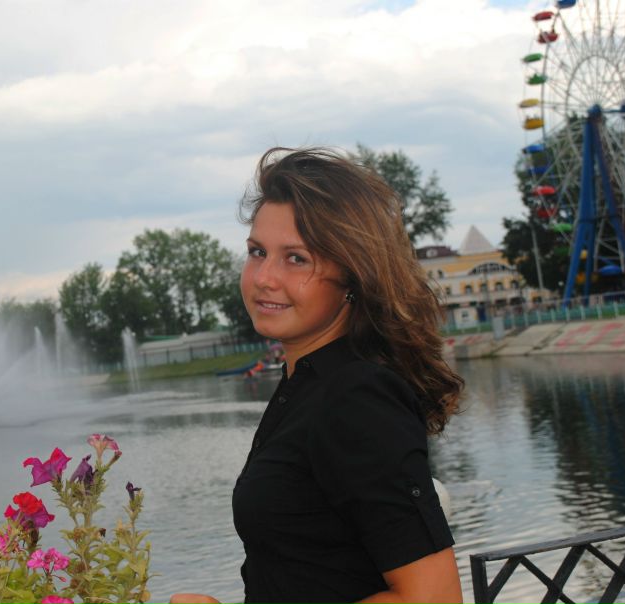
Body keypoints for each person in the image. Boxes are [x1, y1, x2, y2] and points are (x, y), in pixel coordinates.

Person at [171, 147, 464, 604]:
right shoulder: (307, 385)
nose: (264, 277)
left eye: (296, 259)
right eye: (257, 252)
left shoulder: (357, 397)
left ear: (353, 275)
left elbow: (432, 599)